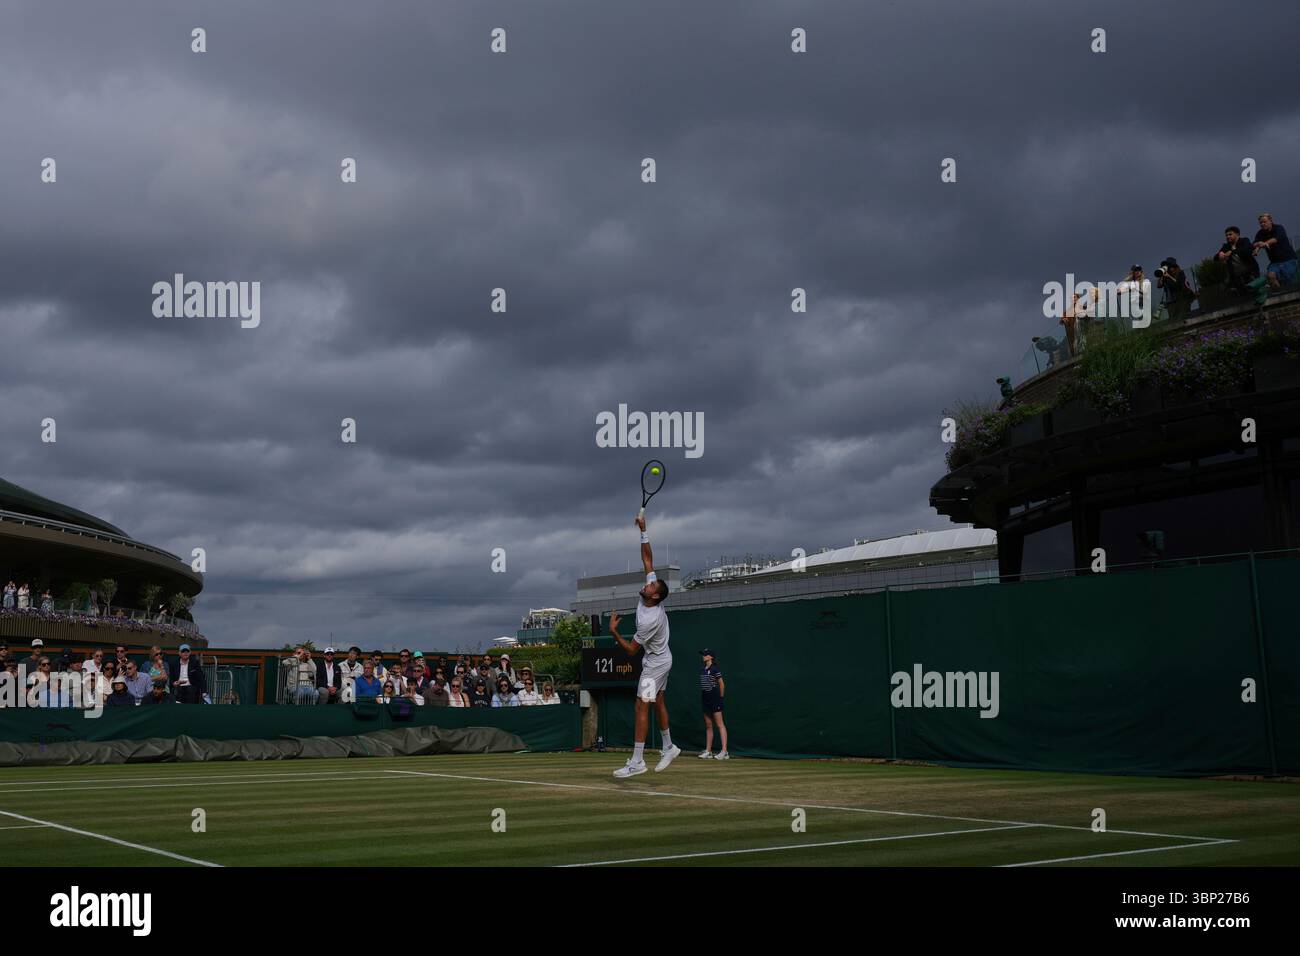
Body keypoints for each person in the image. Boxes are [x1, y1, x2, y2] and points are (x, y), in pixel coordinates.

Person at [608, 513, 680, 778]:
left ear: (656, 595)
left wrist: (614, 632)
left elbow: (630, 651)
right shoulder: (650, 596)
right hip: (661, 659)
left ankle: (637, 761)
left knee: (642, 704)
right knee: (658, 701)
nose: (647, 583)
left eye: (651, 584)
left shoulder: (651, 619)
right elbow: (647, 557)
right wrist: (644, 530)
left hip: (656, 663)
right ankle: (669, 746)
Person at [698, 649, 730, 760]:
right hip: (705, 699)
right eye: (703, 654)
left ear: (711, 657)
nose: (703, 656)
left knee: (720, 724)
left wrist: (720, 698)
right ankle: (708, 751)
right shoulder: (702, 669)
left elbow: (721, 684)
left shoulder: (715, 669)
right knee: (708, 725)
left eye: (705, 655)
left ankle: (724, 751)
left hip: (715, 699)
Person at [1253, 213, 1297, 292]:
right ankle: (1278, 293)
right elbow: (1255, 243)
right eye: (1261, 223)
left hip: (1288, 260)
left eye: (1264, 222)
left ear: (1270, 221)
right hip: (1275, 262)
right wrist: (1257, 247)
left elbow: (1275, 239)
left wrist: (1265, 243)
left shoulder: (1278, 228)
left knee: (1290, 283)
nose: (1262, 224)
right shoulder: (1260, 233)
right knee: (1270, 276)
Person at [1218, 226, 1260, 296]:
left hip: (1250, 273)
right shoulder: (1226, 246)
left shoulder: (1244, 240)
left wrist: (1232, 252)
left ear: (1237, 234)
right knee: (1242, 295)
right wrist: (1220, 254)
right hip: (1237, 277)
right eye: (1226, 235)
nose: (1228, 237)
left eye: (1230, 234)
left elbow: (1246, 250)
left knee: (1255, 292)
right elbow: (1215, 257)